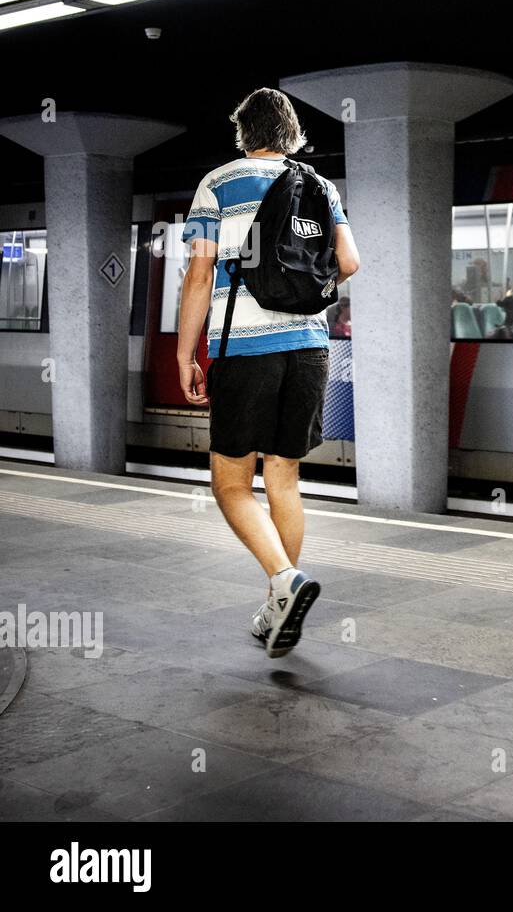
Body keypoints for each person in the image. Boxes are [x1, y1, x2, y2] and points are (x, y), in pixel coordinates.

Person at [177, 87, 361, 658]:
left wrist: (187, 354)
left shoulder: (219, 183)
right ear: (292, 134)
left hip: (244, 349)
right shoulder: (320, 185)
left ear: (244, 132)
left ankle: (285, 582)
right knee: (283, 477)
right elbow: (349, 262)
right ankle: (278, 606)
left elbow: (200, 275)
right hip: (309, 347)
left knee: (231, 484)